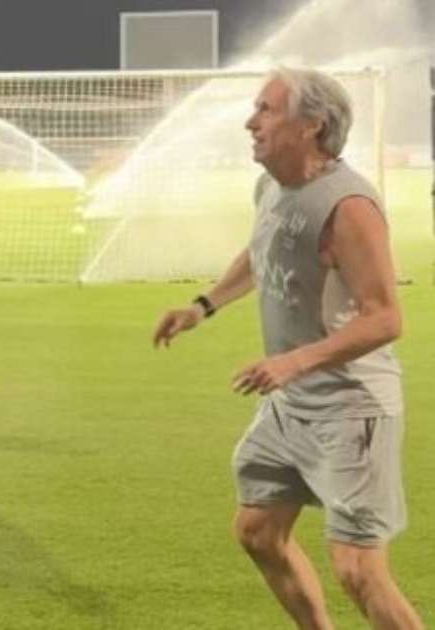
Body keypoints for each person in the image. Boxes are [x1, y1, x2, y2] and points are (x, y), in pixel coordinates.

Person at [153, 67, 421, 629]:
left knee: (357, 569)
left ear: (311, 125)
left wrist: (292, 361)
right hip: (291, 405)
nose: (251, 122)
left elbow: (386, 319)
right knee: (257, 531)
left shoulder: (350, 207)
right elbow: (263, 249)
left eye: (267, 110)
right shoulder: (271, 186)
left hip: (351, 409)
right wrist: (202, 307)